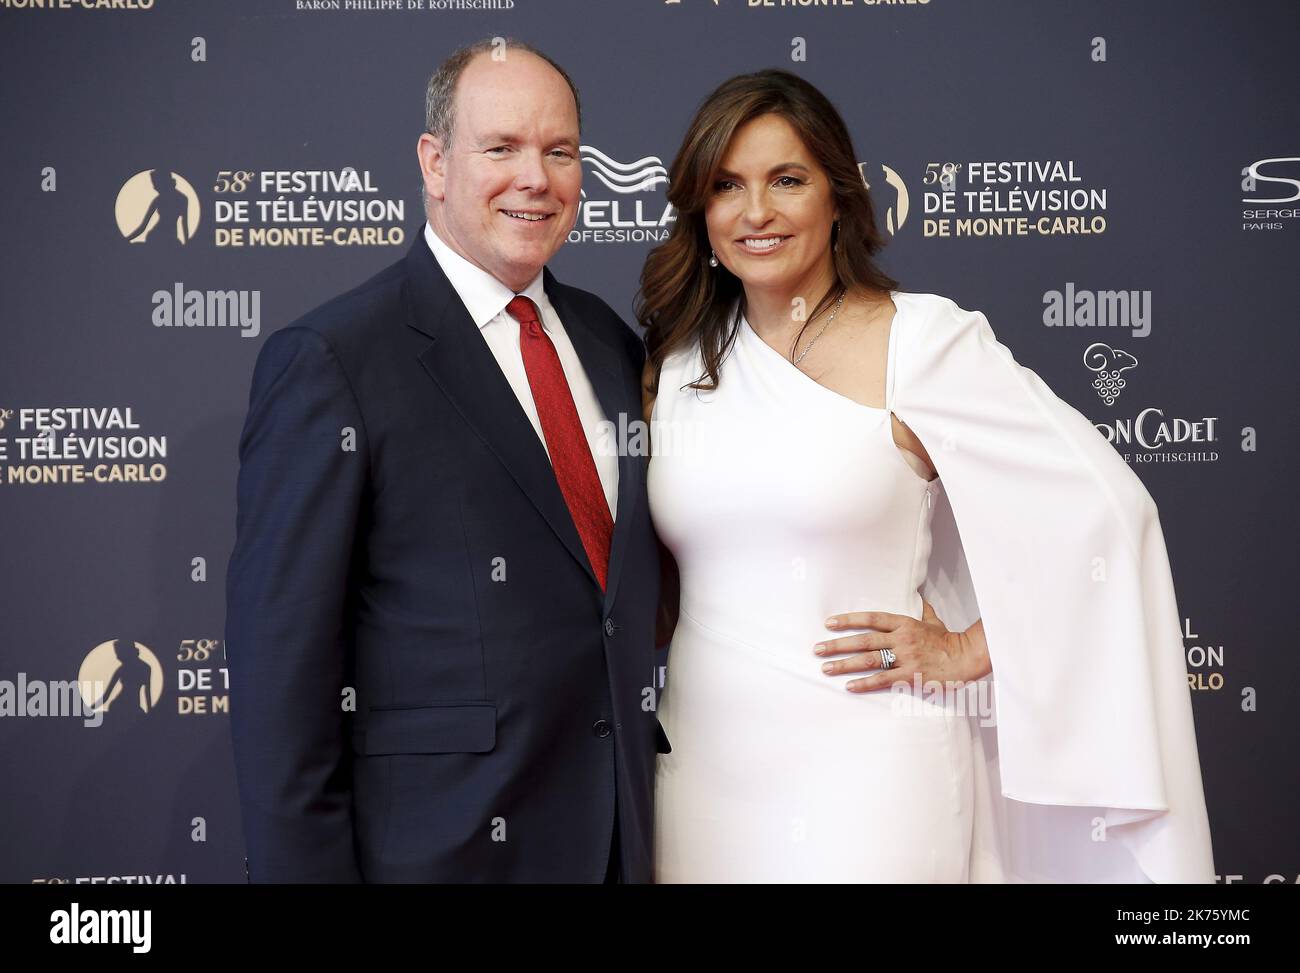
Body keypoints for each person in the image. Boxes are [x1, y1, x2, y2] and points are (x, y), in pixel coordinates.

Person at [638, 69, 1215, 882]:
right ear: (701, 209)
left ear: (839, 198)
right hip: (702, 772)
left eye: (787, 180)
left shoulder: (923, 340)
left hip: (875, 773)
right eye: (728, 185)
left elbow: (1106, 510)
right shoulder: (680, 362)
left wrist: (973, 648)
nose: (755, 211)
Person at [225, 37, 667, 884]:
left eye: (560, 151)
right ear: (434, 163)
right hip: (439, 853)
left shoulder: (611, 343)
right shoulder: (333, 359)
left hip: (619, 845)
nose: (535, 177)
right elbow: (282, 685)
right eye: (500, 148)